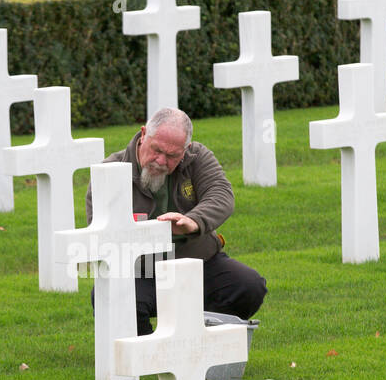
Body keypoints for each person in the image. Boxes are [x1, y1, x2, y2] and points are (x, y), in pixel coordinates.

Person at [85, 107, 267, 336]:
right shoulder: (110, 172)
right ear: (143, 134)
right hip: (140, 272)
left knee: (248, 286)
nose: (161, 161)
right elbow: (101, 235)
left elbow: (221, 194)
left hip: (196, 262)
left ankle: (200, 336)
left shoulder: (197, 157)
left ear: (185, 149)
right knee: (116, 298)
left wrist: (193, 221)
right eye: (156, 150)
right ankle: (149, 351)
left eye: (172, 156)